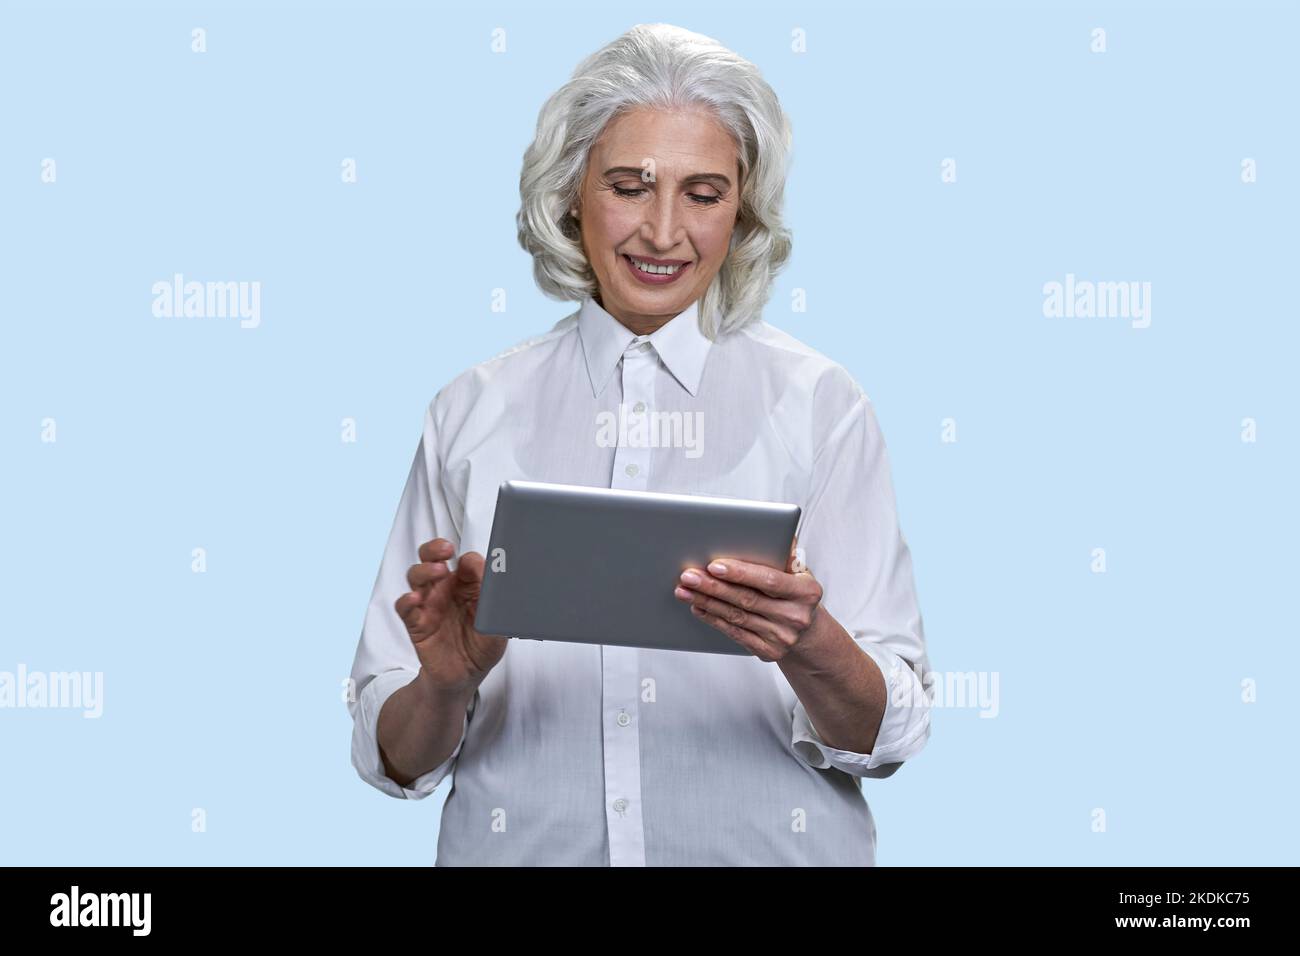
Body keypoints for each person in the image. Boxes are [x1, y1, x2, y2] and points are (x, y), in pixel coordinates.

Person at [347, 22, 933, 866]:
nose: (664, 233)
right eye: (630, 185)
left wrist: (809, 644)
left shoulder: (821, 406)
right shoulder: (469, 411)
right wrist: (446, 681)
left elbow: (893, 733)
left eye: (703, 194)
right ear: (570, 192)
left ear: (743, 211)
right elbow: (394, 758)